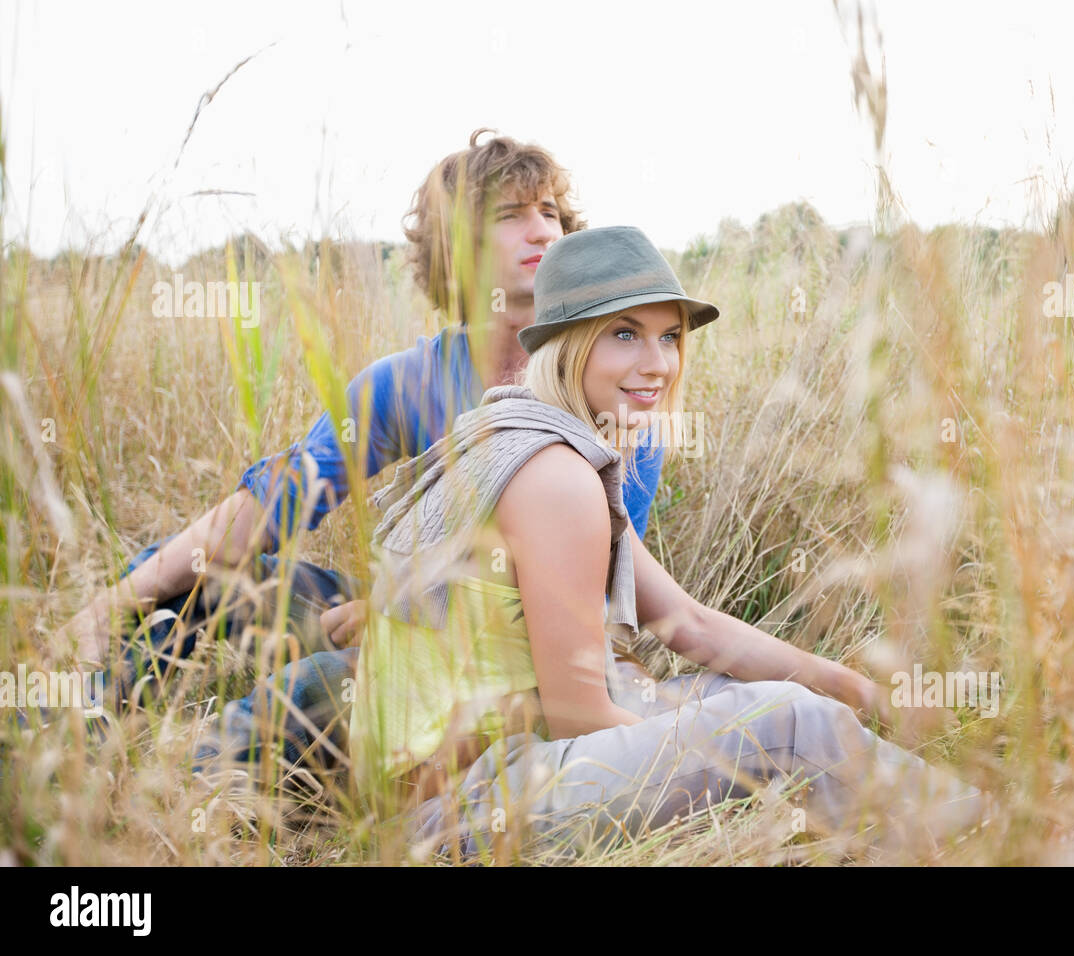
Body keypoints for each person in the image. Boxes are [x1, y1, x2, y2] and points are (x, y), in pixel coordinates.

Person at [349, 225, 990, 862]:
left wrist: (860, 691)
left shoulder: (520, 437)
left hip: (485, 770)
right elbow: (579, 715)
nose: (657, 363)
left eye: (671, 336)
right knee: (787, 724)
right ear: (566, 345)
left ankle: (926, 816)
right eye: (624, 333)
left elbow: (688, 623)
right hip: (454, 816)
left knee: (739, 698)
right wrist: (736, 759)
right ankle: (989, 841)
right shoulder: (554, 478)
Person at [48, 130, 668, 773]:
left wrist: (395, 615)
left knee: (309, 688)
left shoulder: (612, 383)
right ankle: (61, 740)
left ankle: (174, 790)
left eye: (551, 214)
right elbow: (273, 503)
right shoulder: (407, 380)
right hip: (394, 615)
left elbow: (589, 598)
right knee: (210, 580)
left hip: (508, 661)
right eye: (511, 216)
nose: (543, 232)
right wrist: (110, 606)